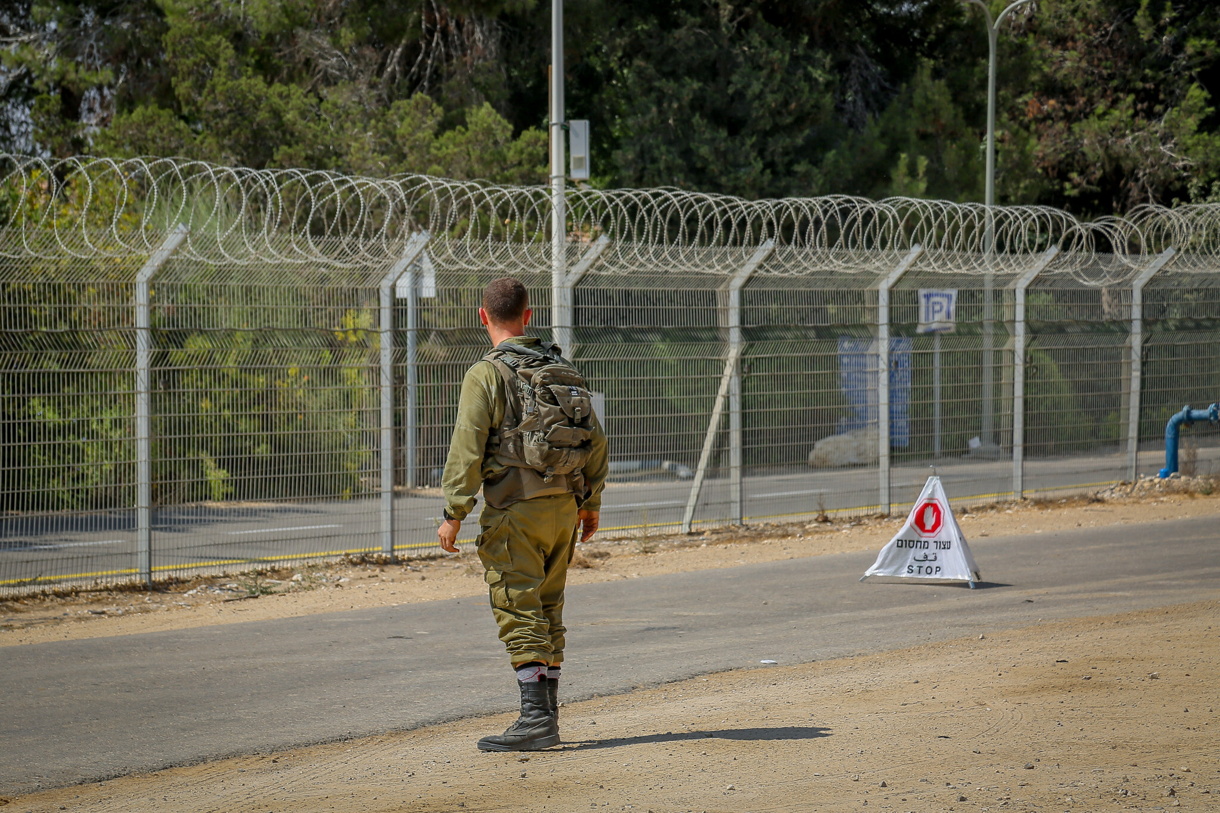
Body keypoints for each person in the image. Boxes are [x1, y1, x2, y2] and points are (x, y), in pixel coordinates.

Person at [437, 276, 608, 751]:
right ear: (528, 317)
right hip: (562, 510)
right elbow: (596, 441)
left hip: (516, 510)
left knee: (519, 607)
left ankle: (536, 720)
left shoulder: (487, 374)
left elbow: (467, 446)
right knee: (549, 609)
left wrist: (454, 511)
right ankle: (546, 715)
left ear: (483, 316)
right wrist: (589, 504)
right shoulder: (559, 366)